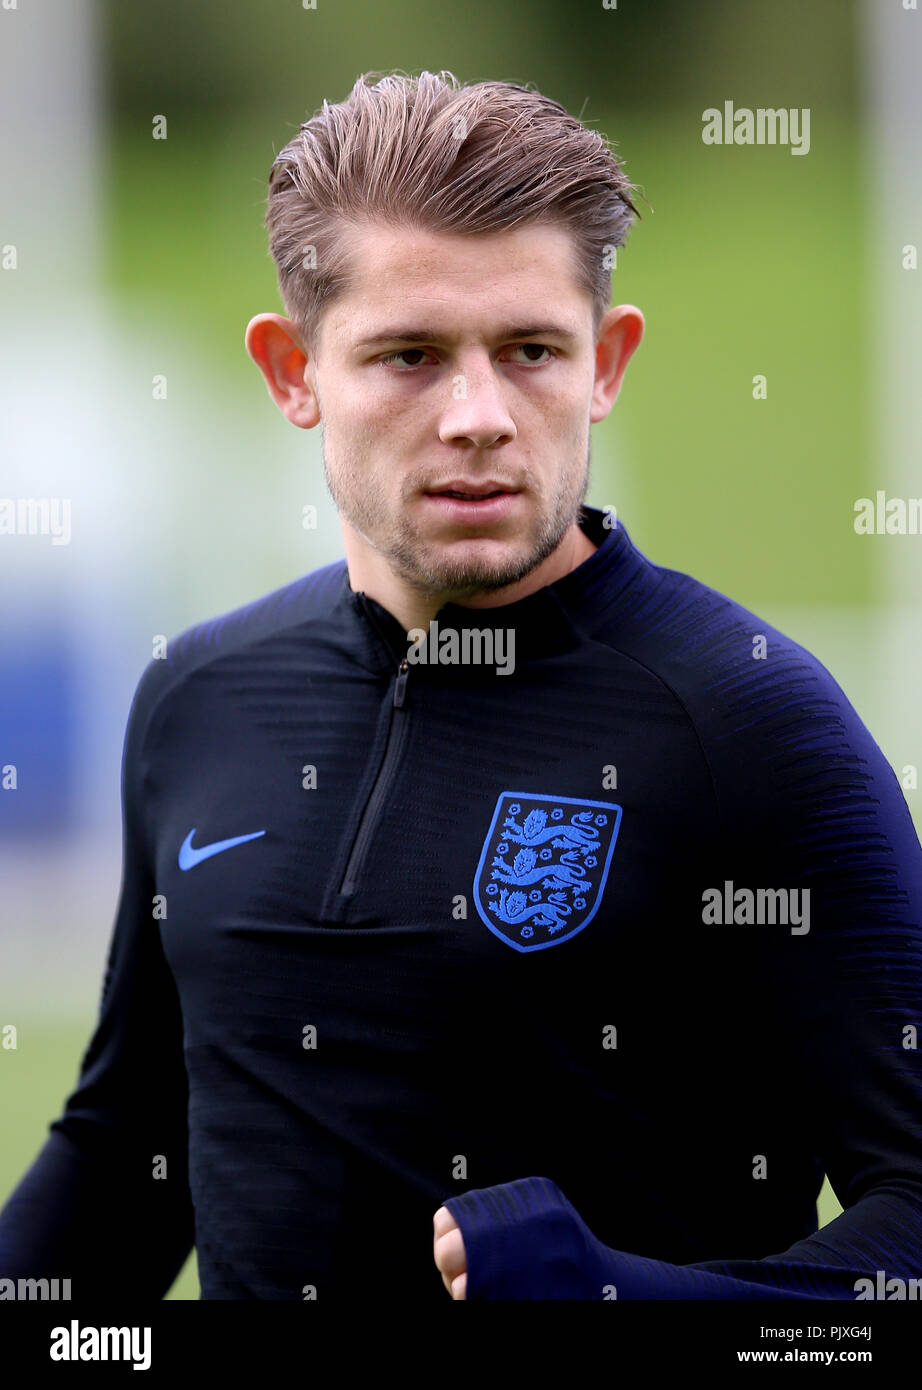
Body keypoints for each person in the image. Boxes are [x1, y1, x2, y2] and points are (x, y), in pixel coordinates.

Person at [2, 70, 920, 1303]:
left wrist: (612, 1297)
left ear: (605, 363)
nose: (479, 414)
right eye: (410, 356)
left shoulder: (749, 723)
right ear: (293, 373)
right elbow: (129, 1158)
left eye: (530, 350)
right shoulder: (198, 699)